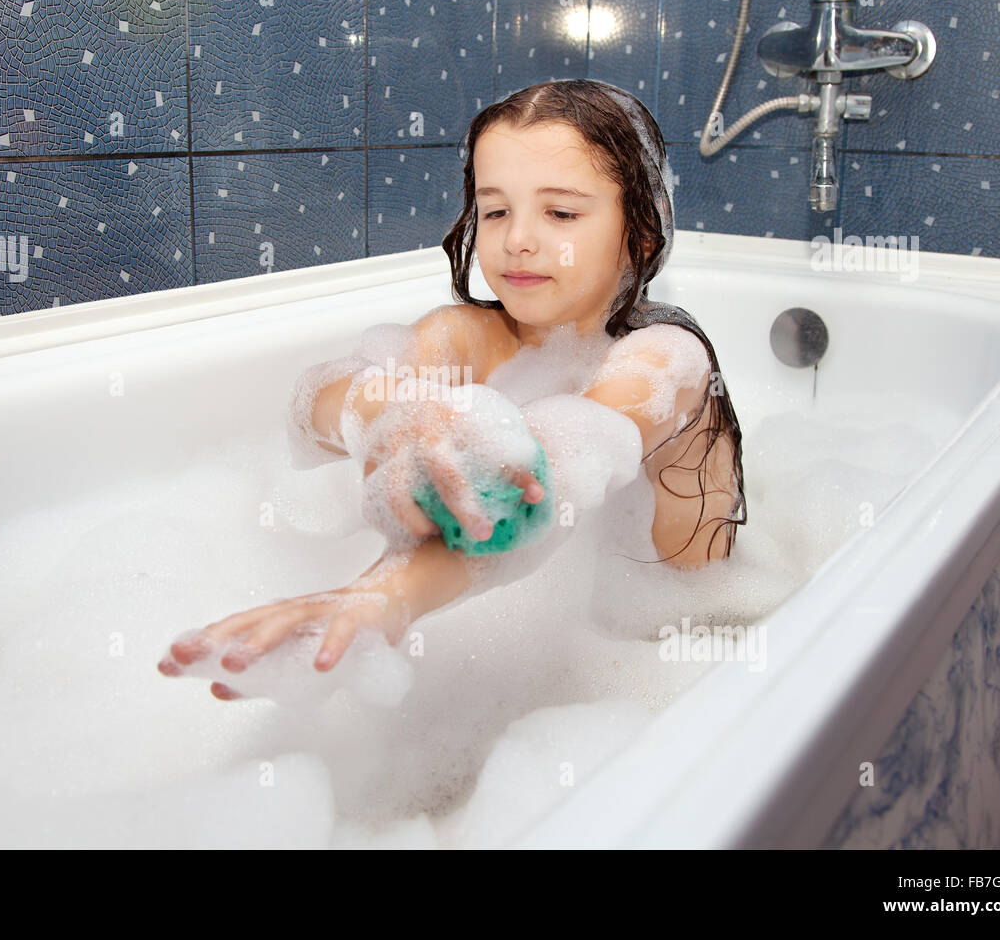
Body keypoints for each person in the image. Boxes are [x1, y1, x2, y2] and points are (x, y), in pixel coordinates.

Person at [158, 79, 747, 700]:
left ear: (640, 237)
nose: (517, 238)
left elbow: (548, 474)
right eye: (495, 210)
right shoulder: (465, 335)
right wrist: (396, 415)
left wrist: (384, 595)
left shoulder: (667, 361)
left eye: (561, 213)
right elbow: (317, 406)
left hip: (686, 632)